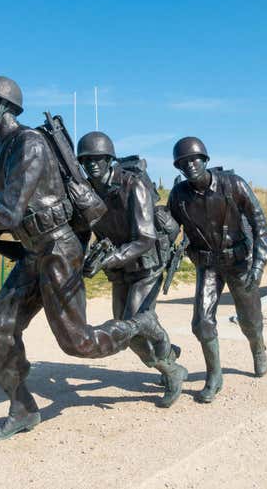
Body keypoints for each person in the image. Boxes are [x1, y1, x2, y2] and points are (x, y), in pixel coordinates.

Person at [0, 76, 171, 441]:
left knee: (78, 343)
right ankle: (22, 408)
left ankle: (140, 324)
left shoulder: (30, 144)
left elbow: (7, 212)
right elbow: (15, 216)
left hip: (58, 249)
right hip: (33, 249)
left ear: (5, 107)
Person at [75, 131, 187, 408]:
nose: (92, 164)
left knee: (128, 329)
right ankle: (167, 352)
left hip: (146, 263)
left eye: (98, 159)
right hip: (119, 268)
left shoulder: (132, 186)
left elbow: (146, 238)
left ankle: (173, 372)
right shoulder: (86, 192)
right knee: (127, 323)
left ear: (109, 159)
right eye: (86, 160)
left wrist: (108, 259)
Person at [167, 136, 267, 403]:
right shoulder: (179, 195)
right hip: (208, 265)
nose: (190, 165)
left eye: (194, 159)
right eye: (183, 162)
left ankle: (257, 347)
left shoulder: (232, 184)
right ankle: (214, 376)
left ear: (204, 160)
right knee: (202, 322)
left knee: (249, 318)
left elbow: (260, 224)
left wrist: (258, 265)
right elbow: (170, 230)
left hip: (238, 262)